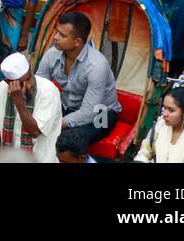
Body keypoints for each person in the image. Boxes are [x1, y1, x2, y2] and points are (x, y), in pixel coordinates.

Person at [36, 11, 122, 145]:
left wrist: (53, 125)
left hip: (102, 113)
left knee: (70, 141)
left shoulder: (97, 66)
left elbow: (89, 112)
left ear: (77, 42)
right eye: (57, 32)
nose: (55, 37)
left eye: (62, 35)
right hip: (68, 104)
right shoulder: (52, 54)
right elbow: (39, 87)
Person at [0, 51, 63, 163]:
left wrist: (19, 102)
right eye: (23, 82)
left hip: (40, 159)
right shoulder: (2, 88)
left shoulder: (48, 91)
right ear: (8, 82)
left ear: (30, 69)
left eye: (29, 78)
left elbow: (35, 132)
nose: (29, 85)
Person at [135, 87, 184, 163]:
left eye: (171, 110)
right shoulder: (160, 125)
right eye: (164, 108)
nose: (164, 114)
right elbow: (144, 152)